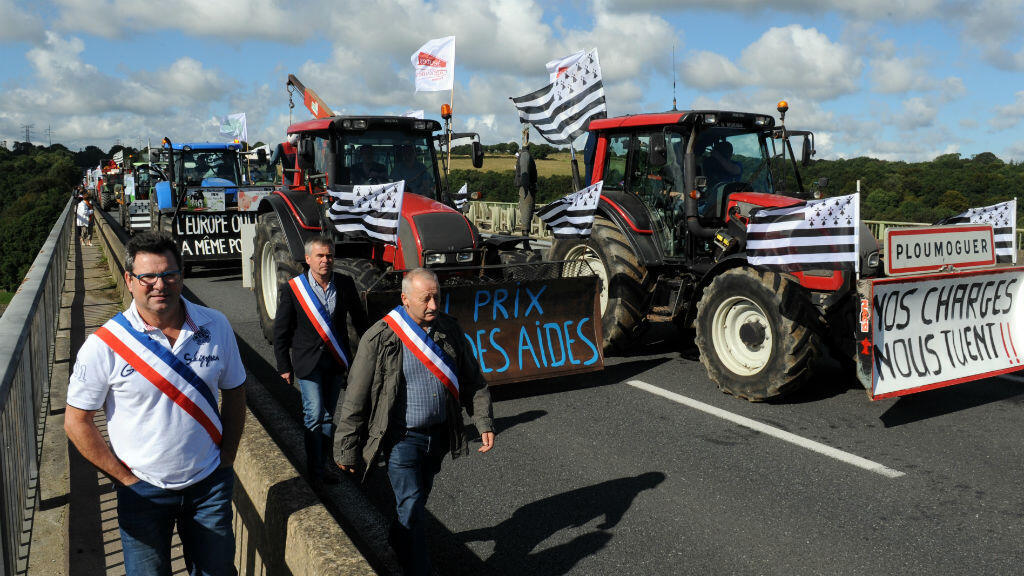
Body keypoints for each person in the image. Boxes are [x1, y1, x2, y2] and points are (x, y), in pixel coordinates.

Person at [64, 231, 247, 576]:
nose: (159, 284)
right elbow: (76, 422)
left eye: (168, 274)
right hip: (142, 490)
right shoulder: (104, 344)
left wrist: (227, 459)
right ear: (129, 281)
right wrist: (125, 479)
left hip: (209, 485)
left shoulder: (216, 325)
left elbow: (236, 392)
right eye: (148, 276)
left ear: (181, 275)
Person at [337, 268, 495, 576]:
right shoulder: (381, 337)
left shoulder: (449, 330)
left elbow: (473, 380)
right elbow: (356, 397)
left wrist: (484, 421)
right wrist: (346, 449)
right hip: (401, 440)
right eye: (426, 299)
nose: (434, 306)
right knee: (411, 505)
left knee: (415, 502)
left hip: (437, 439)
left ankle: (398, 541)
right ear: (405, 299)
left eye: (437, 297)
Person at [273, 236, 367, 488]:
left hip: (335, 362)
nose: (326, 260)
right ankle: (313, 472)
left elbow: (360, 322)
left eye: (329, 256)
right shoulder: (293, 289)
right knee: (314, 415)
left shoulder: (345, 284)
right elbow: (281, 330)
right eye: (320, 256)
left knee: (327, 417)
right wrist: (284, 365)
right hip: (307, 363)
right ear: (308, 259)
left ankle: (321, 466)